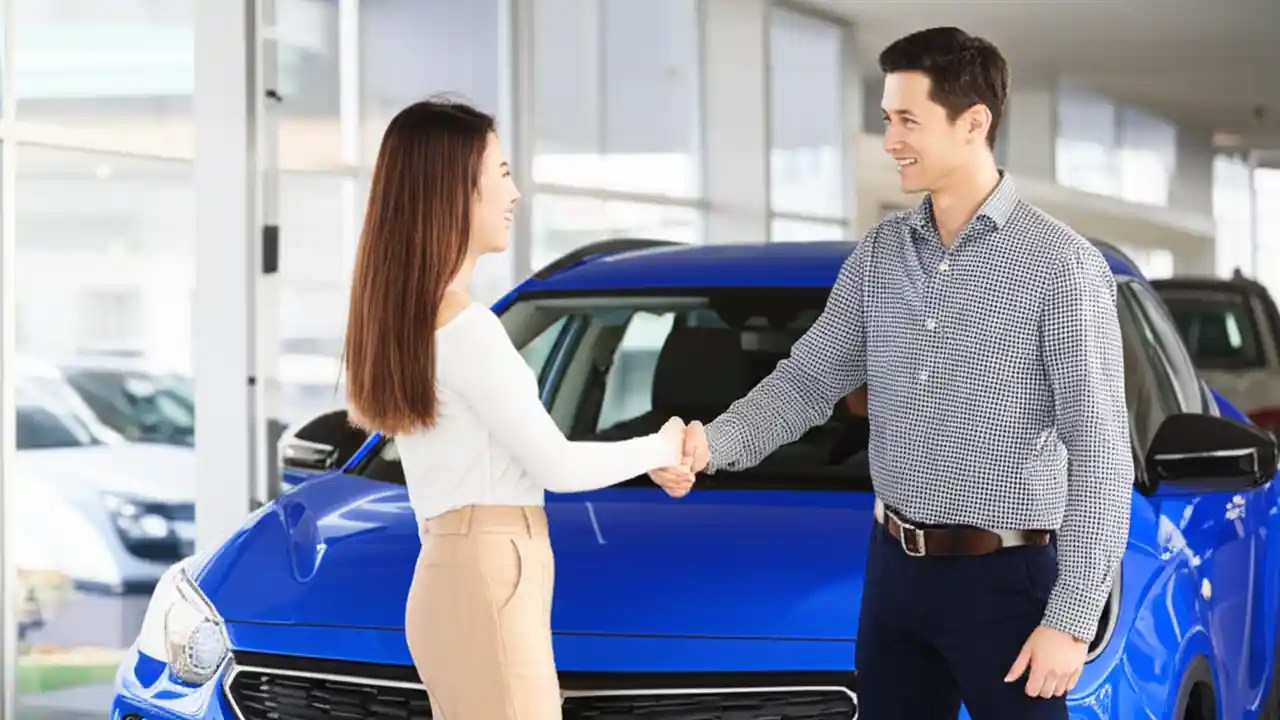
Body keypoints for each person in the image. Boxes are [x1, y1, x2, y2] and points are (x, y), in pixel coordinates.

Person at [652, 27, 1132, 719]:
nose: (890, 139)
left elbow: (1100, 450)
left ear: (974, 124)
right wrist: (710, 445)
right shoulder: (880, 255)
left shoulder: (1060, 267)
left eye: (909, 120)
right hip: (895, 575)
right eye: (886, 119)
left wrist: (1073, 616)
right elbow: (806, 381)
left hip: (1006, 584)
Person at [342, 98, 692, 720]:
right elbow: (556, 466)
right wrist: (663, 447)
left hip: (461, 572)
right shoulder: (469, 328)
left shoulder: (413, 323)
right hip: (488, 573)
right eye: (501, 173)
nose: (516, 192)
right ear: (453, 189)